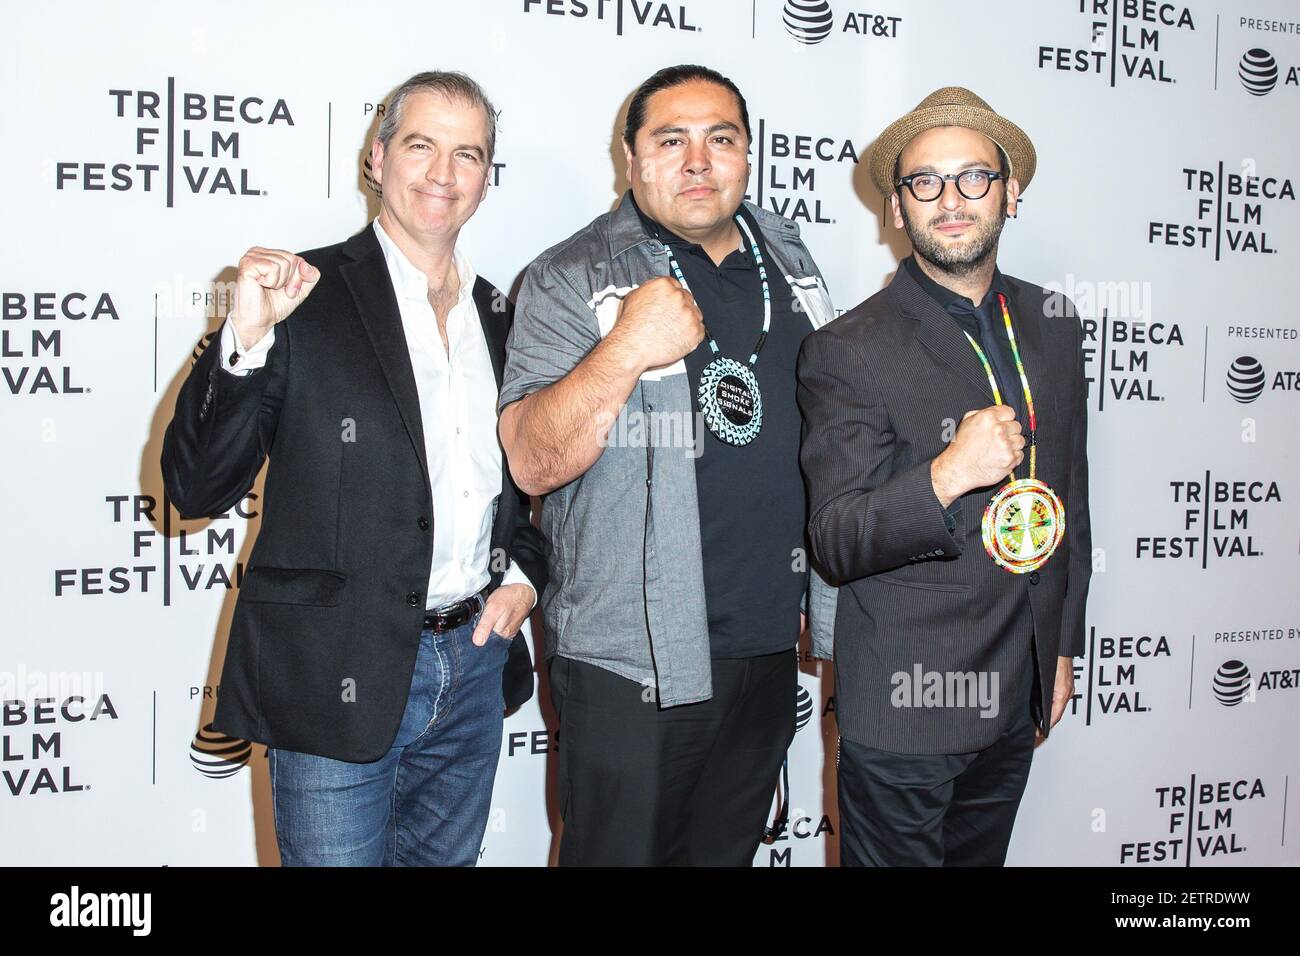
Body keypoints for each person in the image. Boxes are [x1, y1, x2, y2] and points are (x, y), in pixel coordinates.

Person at [161, 71, 547, 866]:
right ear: (376, 158)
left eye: (467, 153)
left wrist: (525, 577)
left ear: (486, 176)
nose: (443, 173)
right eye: (420, 146)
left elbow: (531, 487)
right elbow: (195, 487)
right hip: (332, 669)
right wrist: (245, 343)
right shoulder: (302, 294)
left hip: (474, 666)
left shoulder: (504, 315)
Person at [496, 64, 838, 866]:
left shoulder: (792, 262)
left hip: (763, 646)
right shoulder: (570, 275)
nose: (697, 161)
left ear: (748, 154)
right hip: (631, 657)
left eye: (721, 139)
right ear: (630, 156)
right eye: (670, 140)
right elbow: (533, 460)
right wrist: (624, 350)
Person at [798, 87, 1091, 866]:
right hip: (906, 714)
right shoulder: (848, 348)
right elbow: (836, 538)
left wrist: (1058, 650)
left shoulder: (1055, 323)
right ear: (897, 207)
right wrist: (945, 475)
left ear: (1011, 193)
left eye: (974, 178)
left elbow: (1072, 501)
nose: (951, 200)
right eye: (925, 182)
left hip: (1017, 690)